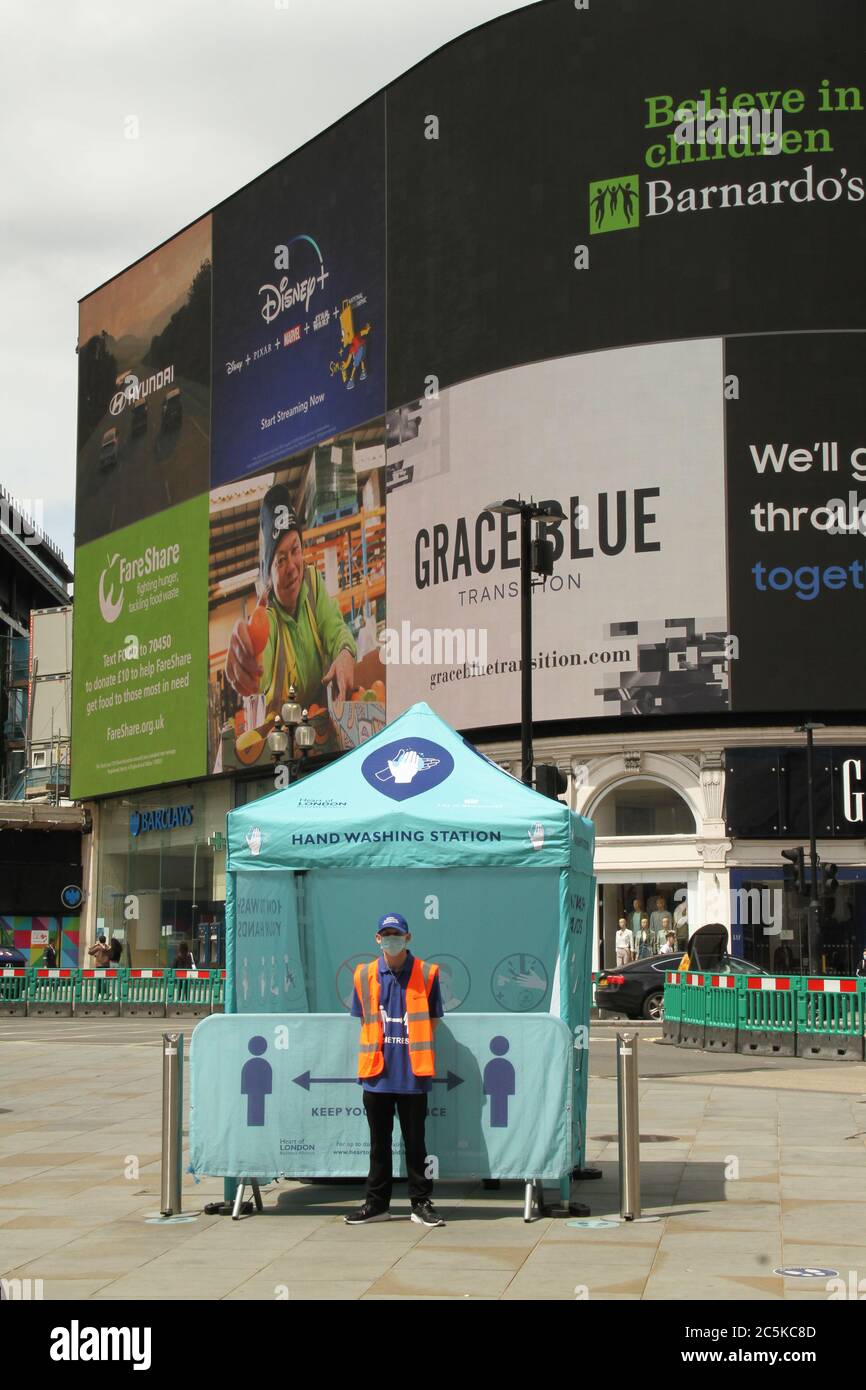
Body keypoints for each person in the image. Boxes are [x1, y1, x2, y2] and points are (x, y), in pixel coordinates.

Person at [224, 484, 357, 756]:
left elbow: (335, 627)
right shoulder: (268, 616)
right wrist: (249, 662)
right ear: (269, 576)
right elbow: (261, 660)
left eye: (295, 550)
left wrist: (344, 653)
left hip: (324, 737)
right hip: (284, 750)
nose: (292, 566)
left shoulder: (314, 586)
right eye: (280, 560)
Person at [346, 913, 445, 1227]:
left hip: (413, 1074)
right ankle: (376, 1204)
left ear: (408, 937)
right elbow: (364, 1019)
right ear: (377, 939)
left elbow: (433, 1020)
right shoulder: (363, 975)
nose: (391, 939)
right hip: (376, 1075)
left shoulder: (427, 973)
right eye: (386, 934)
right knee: (379, 1144)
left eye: (397, 934)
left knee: (417, 1144)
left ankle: (420, 1203)